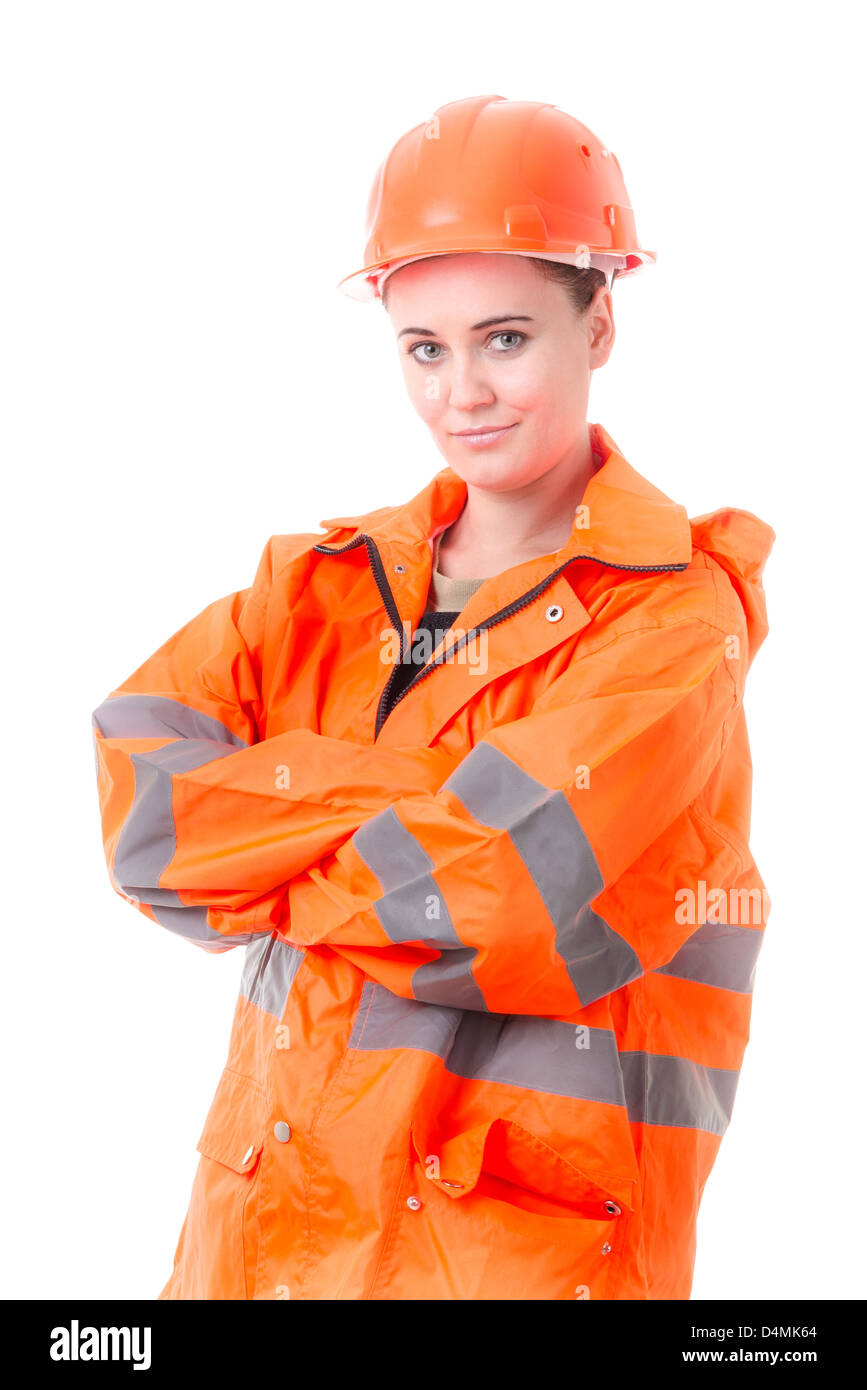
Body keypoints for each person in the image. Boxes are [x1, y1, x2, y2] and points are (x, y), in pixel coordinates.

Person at [90, 94, 775, 1300]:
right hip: (257, 1258)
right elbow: (146, 811)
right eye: (425, 347)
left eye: (506, 337)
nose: (463, 391)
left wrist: (275, 847)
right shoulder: (317, 589)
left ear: (598, 320)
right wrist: (428, 804)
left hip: (503, 1269)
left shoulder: (673, 622)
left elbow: (491, 897)